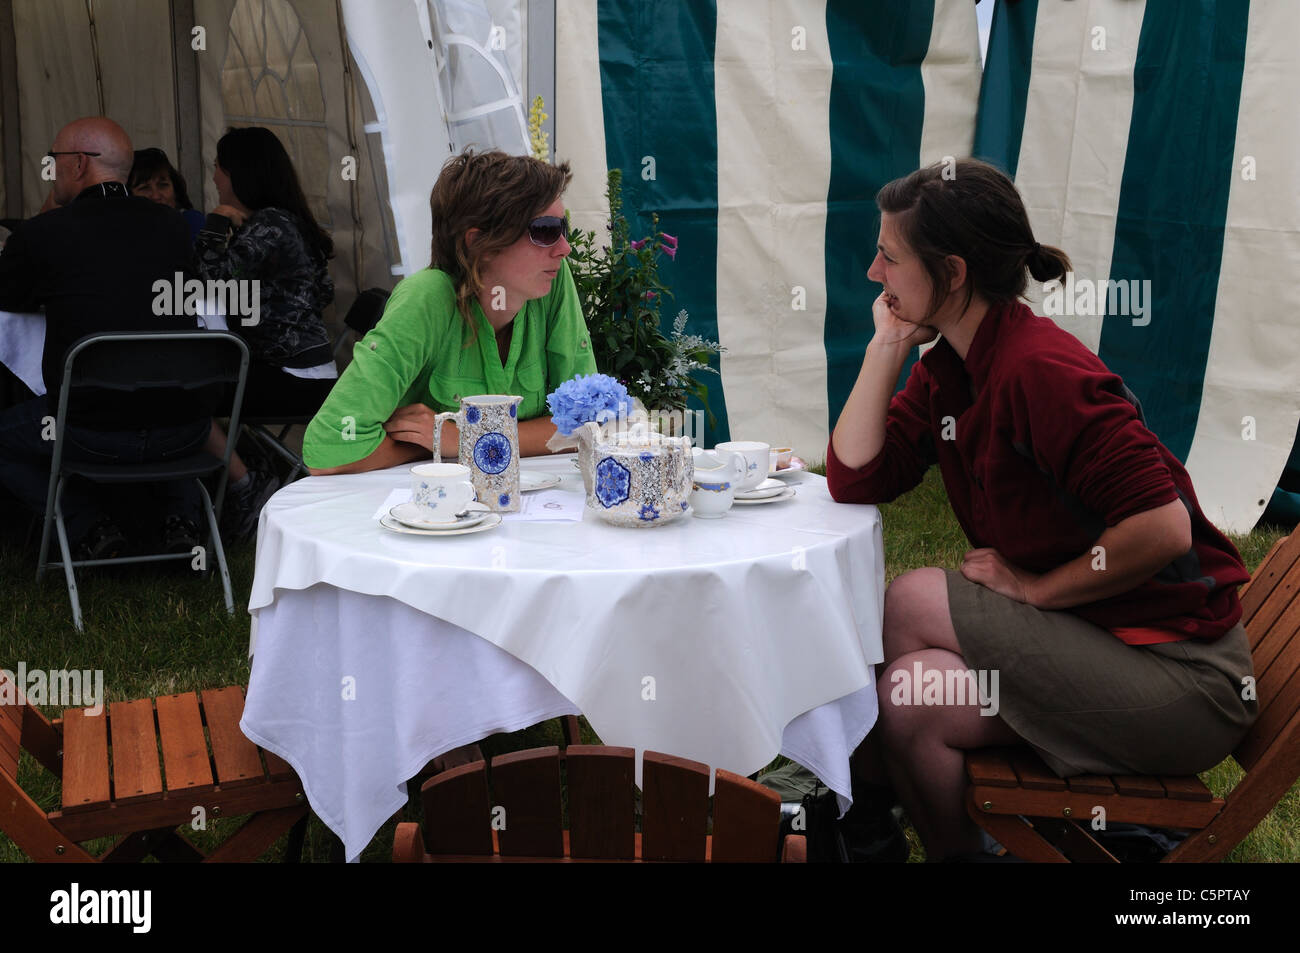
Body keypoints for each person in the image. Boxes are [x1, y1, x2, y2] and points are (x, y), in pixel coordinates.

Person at [827, 158, 1257, 861]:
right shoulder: (958, 366)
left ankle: (870, 821)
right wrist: (886, 346)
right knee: (909, 695)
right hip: (1102, 640)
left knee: (908, 603)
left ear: (954, 272)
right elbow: (858, 474)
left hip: (1182, 678)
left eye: (889, 256)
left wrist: (1036, 588)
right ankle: (893, 832)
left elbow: (1162, 525)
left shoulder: (1039, 371)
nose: (874, 272)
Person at [303, 148, 596, 474]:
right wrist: (433, 444)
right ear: (479, 243)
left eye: (563, 228)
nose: (564, 248)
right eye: (544, 231)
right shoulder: (427, 298)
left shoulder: (552, 282)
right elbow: (329, 448)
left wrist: (465, 440)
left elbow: (589, 422)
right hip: (426, 515)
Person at [0, 117, 208, 558]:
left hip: (83, 431)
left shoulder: (44, 233)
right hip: (185, 430)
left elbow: (8, 297)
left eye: (54, 160)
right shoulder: (173, 227)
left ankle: (87, 524)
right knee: (157, 387)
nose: (51, 170)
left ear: (77, 164)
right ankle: (182, 517)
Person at [193, 126, 336, 540]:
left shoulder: (271, 224)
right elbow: (319, 292)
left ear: (239, 172)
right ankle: (257, 470)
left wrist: (216, 222)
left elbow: (210, 283)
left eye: (218, 169)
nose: (215, 179)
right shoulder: (287, 222)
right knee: (200, 387)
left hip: (293, 379)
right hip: (309, 374)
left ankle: (248, 485)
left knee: (183, 395)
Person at [128, 147, 206, 241]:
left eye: (163, 185)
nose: (156, 196)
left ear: (176, 191)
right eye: (145, 188)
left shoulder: (191, 222)